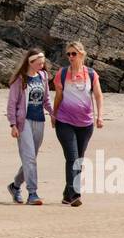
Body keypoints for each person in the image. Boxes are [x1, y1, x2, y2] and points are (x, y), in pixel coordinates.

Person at [51, 41, 105, 207]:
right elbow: (58, 96)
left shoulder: (91, 74)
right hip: (65, 121)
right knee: (72, 157)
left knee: (79, 160)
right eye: (68, 54)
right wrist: (54, 114)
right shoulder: (62, 73)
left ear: (82, 54)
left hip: (86, 124)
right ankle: (75, 194)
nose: (70, 57)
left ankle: (67, 194)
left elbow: (98, 96)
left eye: (74, 54)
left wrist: (99, 116)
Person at [6, 48, 49, 205]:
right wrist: (13, 124)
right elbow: (11, 104)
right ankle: (33, 193)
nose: (42, 65)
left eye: (43, 62)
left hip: (39, 121)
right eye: (39, 62)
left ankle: (15, 185)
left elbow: (46, 100)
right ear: (31, 62)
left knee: (30, 159)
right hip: (23, 123)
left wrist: (55, 114)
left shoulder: (43, 76)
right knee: (30, 158)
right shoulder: (20, 79)